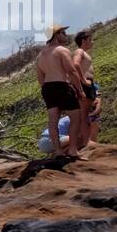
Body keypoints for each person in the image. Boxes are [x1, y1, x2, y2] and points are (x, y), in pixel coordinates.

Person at [35, 24, 86, 158]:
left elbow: (40, 79)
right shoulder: (62, 50)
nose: (65, 35)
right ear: (56, 34)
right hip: (61, 86)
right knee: (76, 117)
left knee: (53, 120)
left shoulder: (40, 56)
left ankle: (58, 151)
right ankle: (73, 150)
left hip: (47, 88)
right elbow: (71, 71)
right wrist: (80, 90)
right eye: (63, 33)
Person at [71, 30, 97, 149]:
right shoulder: (79, 51)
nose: (92, 42)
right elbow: (75, 64)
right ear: (83, 41)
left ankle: (87, 141)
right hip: (85, 84)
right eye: (90, 39)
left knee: (87, 115)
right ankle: (85, 142)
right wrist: (82, 80)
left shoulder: (84, 53)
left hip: (89, 84)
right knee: (83, 115)